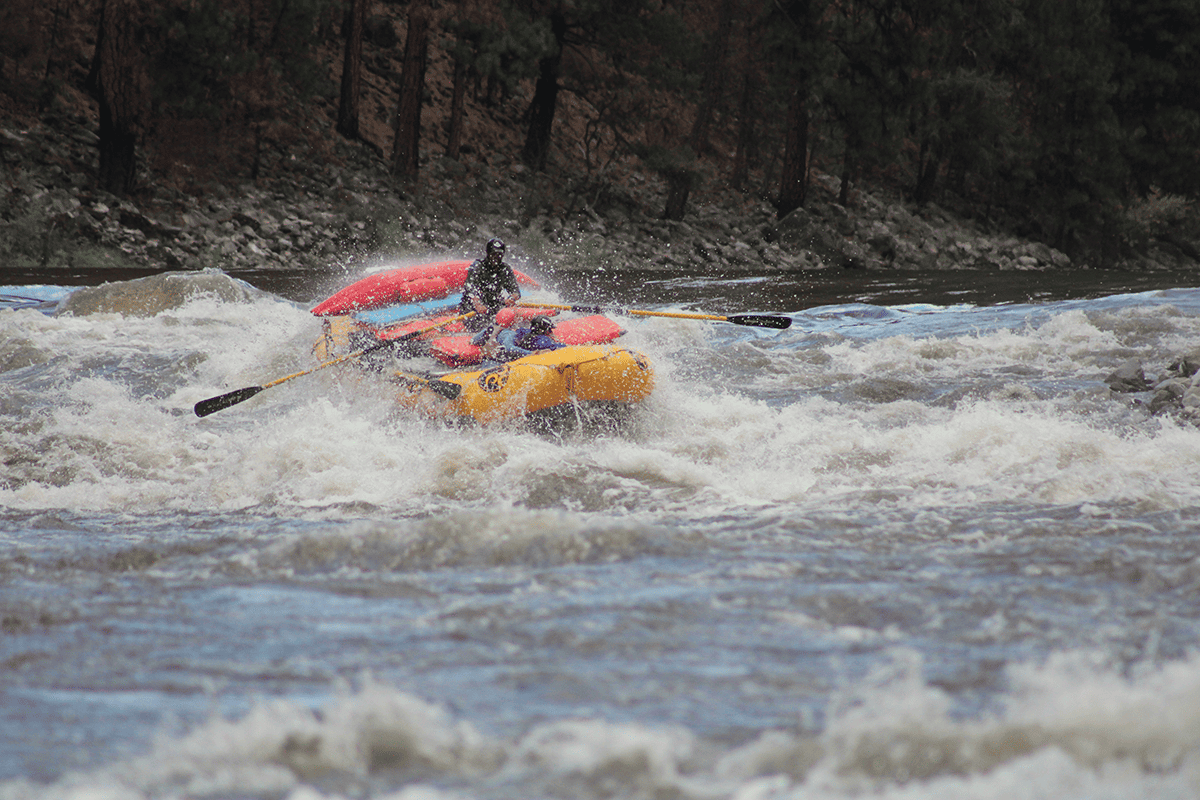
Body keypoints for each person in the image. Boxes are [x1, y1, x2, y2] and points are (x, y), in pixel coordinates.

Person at [459, 238, 520, 332]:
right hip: (472, 308)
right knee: (477, 325)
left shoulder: (505, 269)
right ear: (488, 253)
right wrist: (478, 304)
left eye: (499, 254)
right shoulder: (478, 266)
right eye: (493, 254)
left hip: (493, 305)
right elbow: (469, 287)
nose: (496, 257)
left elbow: (515, 291)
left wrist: (511, 299)